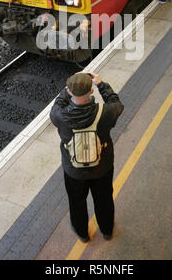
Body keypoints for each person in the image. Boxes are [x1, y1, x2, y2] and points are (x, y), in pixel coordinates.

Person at [50, 72, 124, 243]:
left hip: (74, 171)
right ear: (91, 91)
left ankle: (82, 233)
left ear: (70, 92)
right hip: (102, 168)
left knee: (76, 203)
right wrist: (102, 84)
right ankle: (106, 231)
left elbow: (57, 104)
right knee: (104, 200)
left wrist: (67, 90)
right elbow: (117, 104)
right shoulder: (105, 113)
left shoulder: (59, 116)